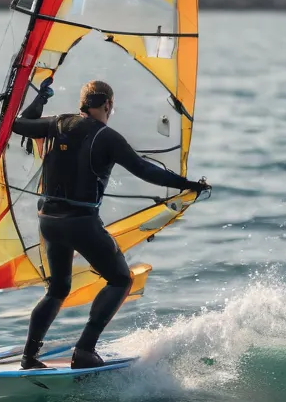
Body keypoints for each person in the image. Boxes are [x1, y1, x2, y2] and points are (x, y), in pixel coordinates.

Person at [12, 77, 209, 370]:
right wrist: (187, 184)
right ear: (107, 104)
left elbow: (18, 124)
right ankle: (85, 349)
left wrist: (41, 97)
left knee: (57, 289)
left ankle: (29, 356)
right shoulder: (107, 137)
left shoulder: (57, 124)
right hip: (81, 223)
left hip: (49, 221)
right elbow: (144, 170)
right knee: (121, 279)